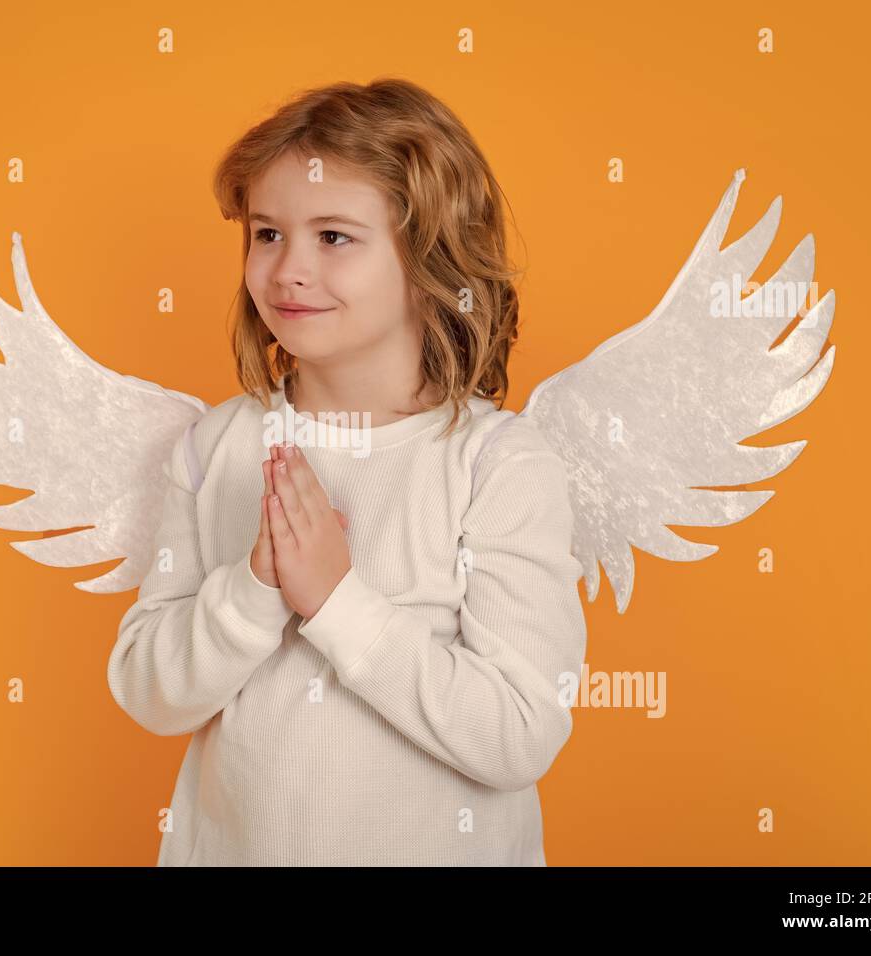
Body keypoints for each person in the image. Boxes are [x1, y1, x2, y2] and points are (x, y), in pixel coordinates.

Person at [107, 77, 587, 865]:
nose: (288, 269)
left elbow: (518, 733)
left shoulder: (496, 466)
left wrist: (335, 601)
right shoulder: (215, 447)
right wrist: (254, 591)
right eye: (268, 233)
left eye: (333, 236)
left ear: (429, 259)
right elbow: (151, 694)